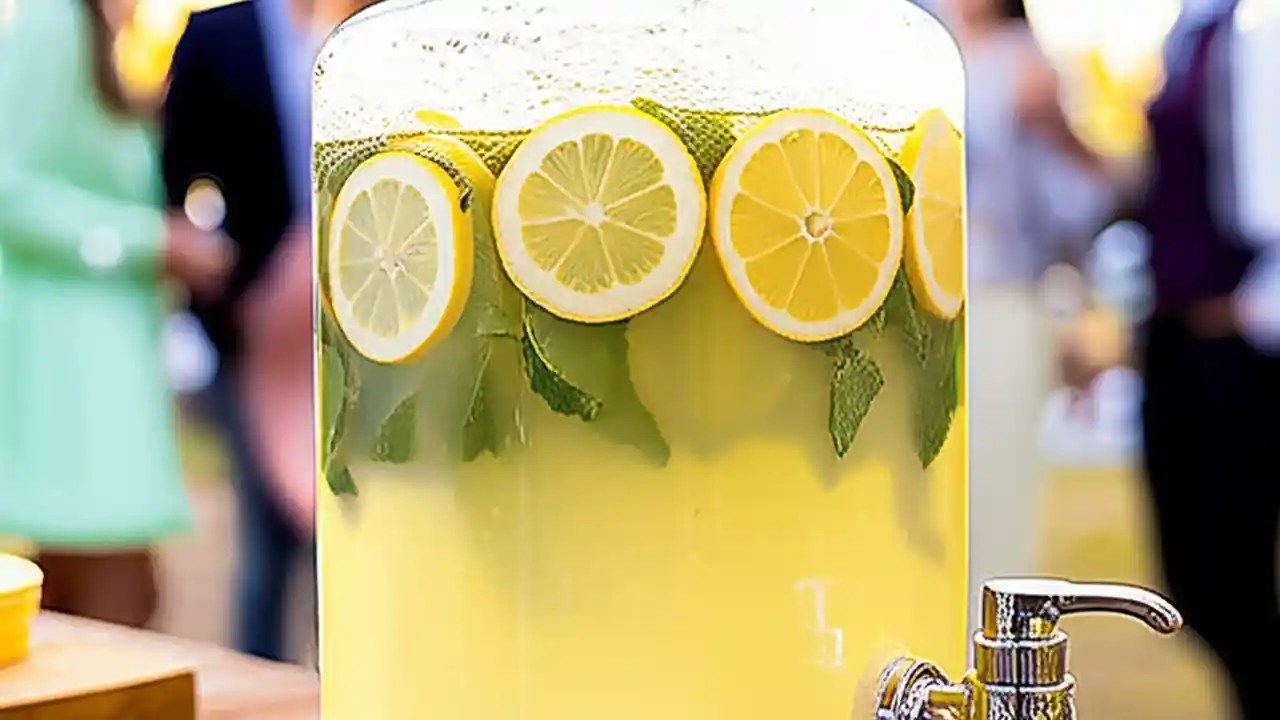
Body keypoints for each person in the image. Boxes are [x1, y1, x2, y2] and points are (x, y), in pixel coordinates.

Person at [0, 0, 230, 628]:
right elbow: (8, 188)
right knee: (119, 600)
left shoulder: (110, 35)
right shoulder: (53, 21)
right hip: (71, 367)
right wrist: (152, 242)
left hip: (101, 357)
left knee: (85, 604)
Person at [162, 0, 376, 662]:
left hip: (369, 320)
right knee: (265, 546)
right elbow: (172, 177)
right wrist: (221, 283)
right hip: (255, 326)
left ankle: (342, 685)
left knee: (358, 529)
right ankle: (265, 689)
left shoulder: (374, 27)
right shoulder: (214, 34)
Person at [945, 0, 1124, 634]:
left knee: (992, 493)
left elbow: (1088, 202)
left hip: (998, 302)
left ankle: (986, 653)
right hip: (924, 308)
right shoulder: (920, 44)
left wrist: (1057, 130)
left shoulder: (1027, 66)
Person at [1138, 1, 1280, 716]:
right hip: (1176, 330)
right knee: (1194, 576)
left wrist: (1261, 304)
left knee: (1237, 567)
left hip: (1248, 337)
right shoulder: (1195, 25)